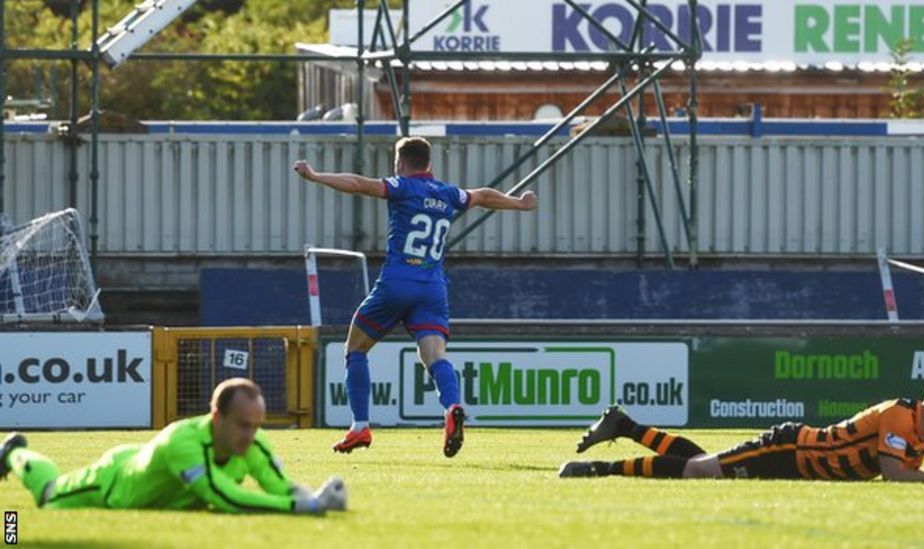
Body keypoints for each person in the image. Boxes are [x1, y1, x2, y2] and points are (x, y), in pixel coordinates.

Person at [293, 136, 538, 457]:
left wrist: (315, 175)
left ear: (400, 163)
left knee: (355, 349)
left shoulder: (402, 187)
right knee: (436, 358)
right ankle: (452, 407)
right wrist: (518, 203)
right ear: (430, 164)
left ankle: (359, 426)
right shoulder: (449, 194)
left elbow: (356, 183)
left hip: (396, 284)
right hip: (432, 289)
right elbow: (484, 196)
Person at [0, 378, 348, 513]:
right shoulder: (183, 441)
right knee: (47, 495)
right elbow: (222, 495)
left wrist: (313, 497)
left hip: (141, 464)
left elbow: (278, 486)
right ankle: (13, 451)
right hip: (110, 483)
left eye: (256, 426)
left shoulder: (254, 442)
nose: (250, 435)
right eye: (243, 425)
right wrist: (302, 508)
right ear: (216, 418)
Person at [559, 372, 924, 482]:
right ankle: (601, 470)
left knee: (704, 463)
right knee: (700, 471)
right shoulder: (901, 416)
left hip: (797, 464)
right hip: (791, 451)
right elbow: (894, 474)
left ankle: (625, 425)